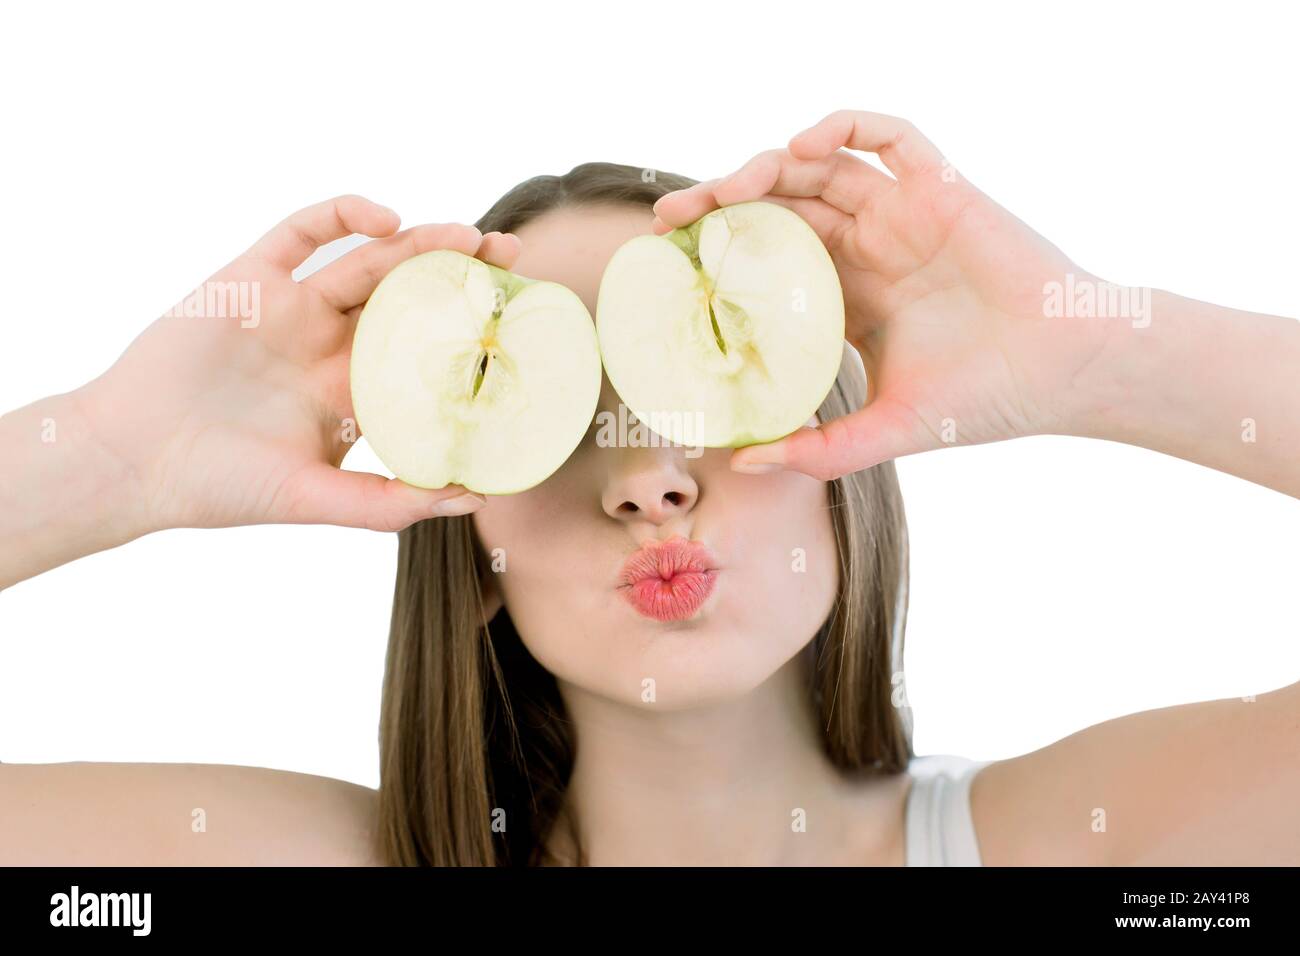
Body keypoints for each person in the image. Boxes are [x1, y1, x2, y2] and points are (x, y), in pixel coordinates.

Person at [1, 110, 1296, 866]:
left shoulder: (1081, 848)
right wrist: (116, 456)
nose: (647, 481)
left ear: (842, 439)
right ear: (470, 539)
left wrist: (1102, 356)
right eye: (552, 413)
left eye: (705, 381)